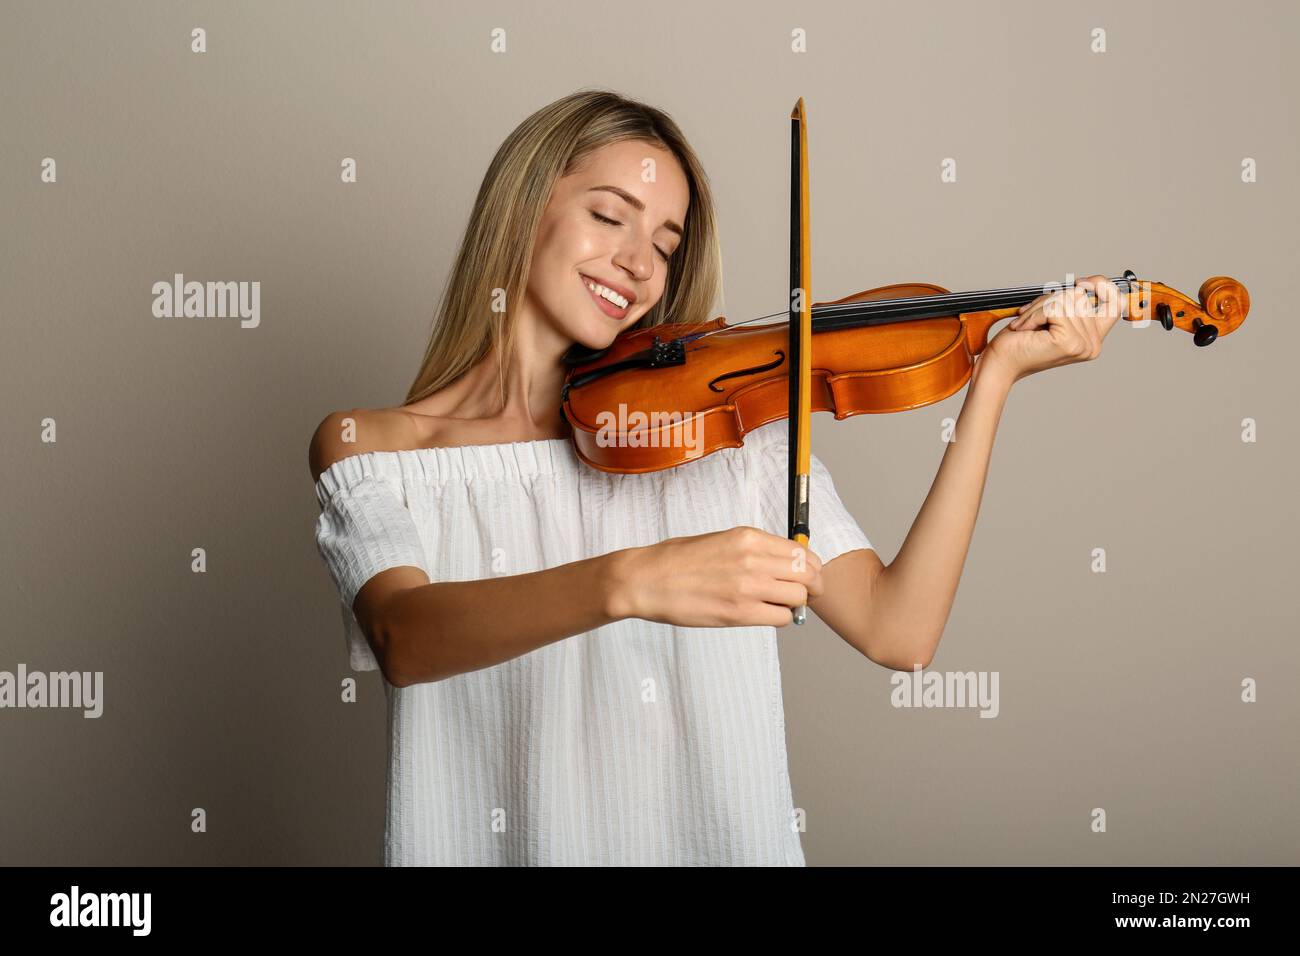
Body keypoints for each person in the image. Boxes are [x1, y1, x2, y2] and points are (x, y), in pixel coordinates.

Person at [308, 89, 1125, 866]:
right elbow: (404, 638)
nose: (638, 264)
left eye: (664, 246)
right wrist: (634, 579)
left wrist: (994, 379)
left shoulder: (717, 430)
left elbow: (899, 631)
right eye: (607, 217)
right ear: (522, 210)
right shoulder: (374, 452)